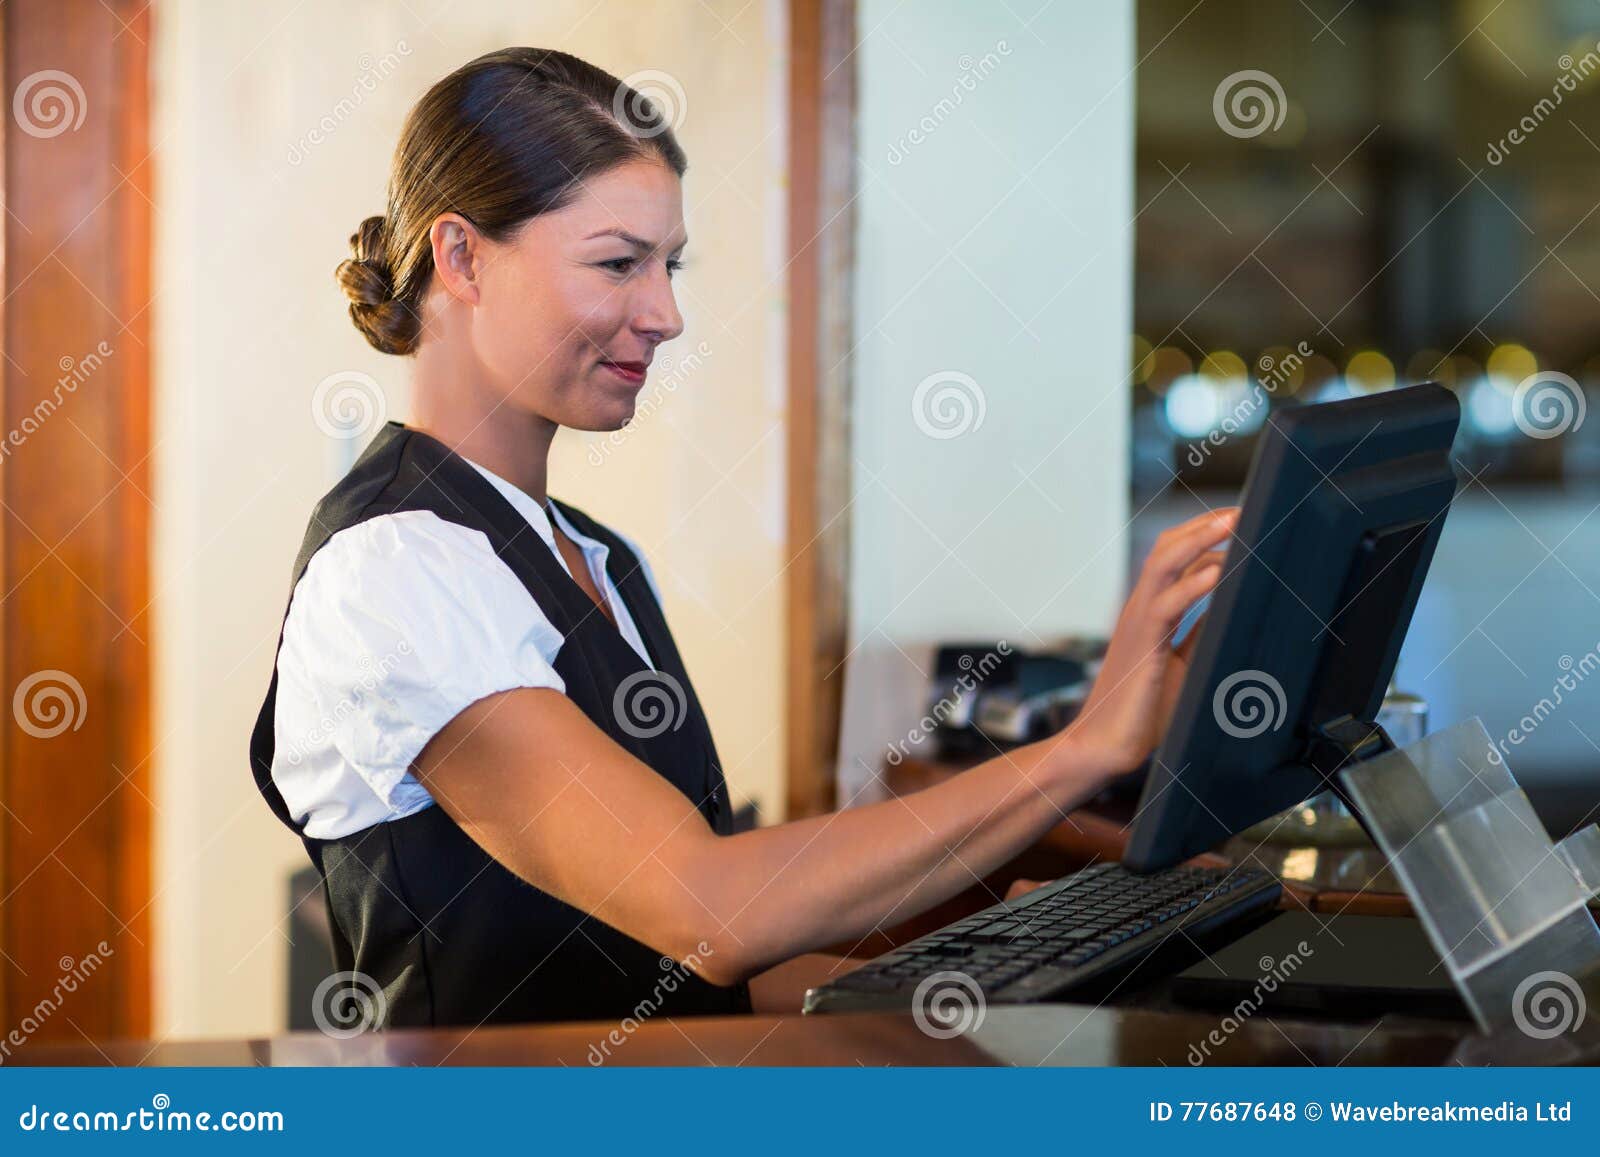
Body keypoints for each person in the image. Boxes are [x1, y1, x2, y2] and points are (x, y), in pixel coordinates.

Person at [249, 46, 1236, 1028]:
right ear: (461, 256)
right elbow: (708, 906)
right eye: (617, 262)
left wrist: (961, 946)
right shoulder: (391, 570)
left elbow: (691, 969)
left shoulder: (591, 556)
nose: (666, 313)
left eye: (667, 265)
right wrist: (1076, 749)